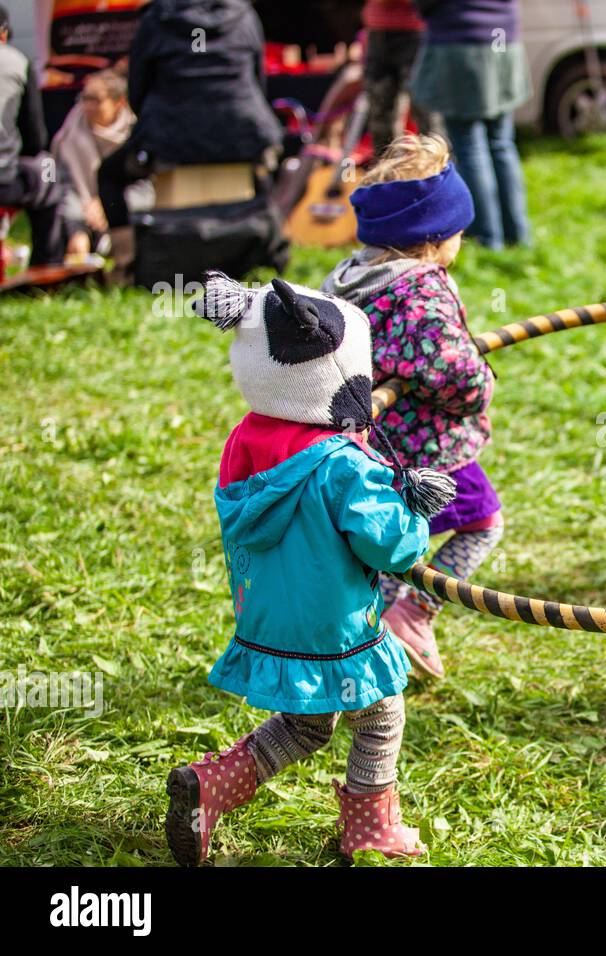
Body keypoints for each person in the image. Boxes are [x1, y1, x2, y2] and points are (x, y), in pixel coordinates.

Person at [166, 273, 455, 866]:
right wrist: (416, 511)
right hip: (336, 625)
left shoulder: (244, 439)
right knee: (381, 713)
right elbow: (393, 548)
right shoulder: (345, 465)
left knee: (308, 724)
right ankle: (370, 832)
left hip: (267, 619)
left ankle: (210, 787)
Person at [323, 134, 502, 680]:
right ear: (433, 238)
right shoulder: (419, 293)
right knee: (483, 521)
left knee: (400, 537)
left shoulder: (350, 275)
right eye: (458, 232)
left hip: (374, 447)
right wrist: (479, 381)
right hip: (428, 451)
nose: (461, 241)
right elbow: (451, 369)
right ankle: (415, 615)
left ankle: (373, 629)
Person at [97, 0, 282, 233]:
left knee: (108, 176)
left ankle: (126, 259)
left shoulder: (155, 18)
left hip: (169, 139)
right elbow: (258, 85)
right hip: (241, 134)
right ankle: (267, 245)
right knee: (263, 178)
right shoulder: (244, 15)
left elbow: (138, 91)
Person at [410, 0, 530, 249]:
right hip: (503, 39)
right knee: (502, 143)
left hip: (462, 41)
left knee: (469, 146)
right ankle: (517, 236)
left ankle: (487, 240)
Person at [51, 68, 152, 258]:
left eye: (96, 100)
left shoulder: (137, 135)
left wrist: (108, 204)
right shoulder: (70, 136)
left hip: (128, 218)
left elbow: (147, 190)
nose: (88, 106)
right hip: (80, 216)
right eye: (84, 98)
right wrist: (77, 229)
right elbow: (64, 187)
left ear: (119, 102)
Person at [0, 3, 68, 266]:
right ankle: (46, 268)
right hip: (5, 182)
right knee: (48, 172)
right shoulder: (16, 61)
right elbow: (35, 139)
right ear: (4, 34)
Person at [361, 0, 430, 156]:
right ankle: (389, 177)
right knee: (380, 122)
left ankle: (436, 177)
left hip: (417, 33)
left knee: (427, 117)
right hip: (377, 32)